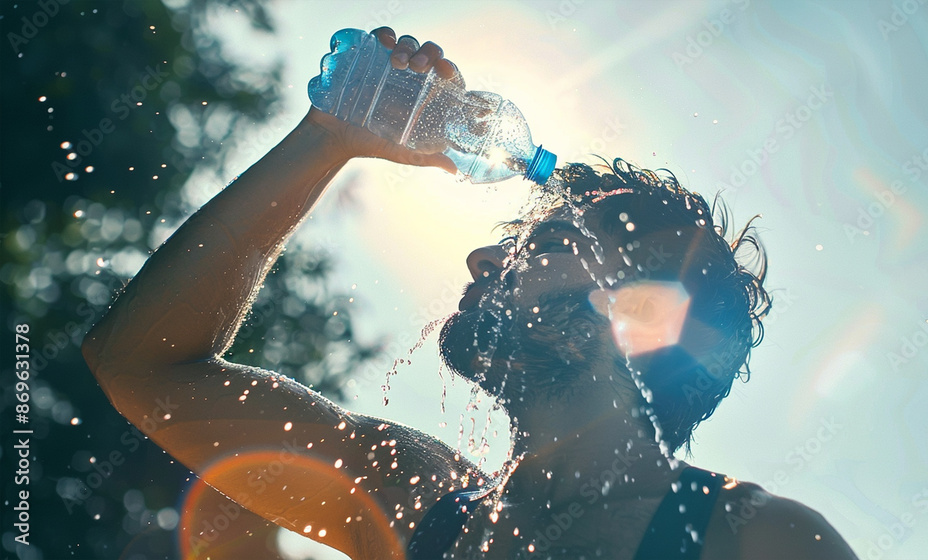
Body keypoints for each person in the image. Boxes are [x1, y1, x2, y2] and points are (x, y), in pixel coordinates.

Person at [83, 27, 858, 560]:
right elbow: (144, 367)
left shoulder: (756, 540)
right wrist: (327, 139)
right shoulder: (417, 499)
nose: (483, 257)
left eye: (545, 248)